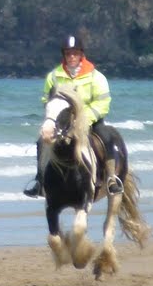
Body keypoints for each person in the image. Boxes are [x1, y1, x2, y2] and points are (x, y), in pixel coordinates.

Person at [24, 33, 124, 198]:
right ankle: (40, 181)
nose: (71, 57)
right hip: (63, 122)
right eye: (68, 53)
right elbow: (47, 100)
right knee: (42, 141)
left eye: (75, 53)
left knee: (106, 137)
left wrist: (84, 119)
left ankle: (111, 179)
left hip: (91, 121)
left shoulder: (96, 77)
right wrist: (56, 116)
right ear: (64, 55)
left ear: (81, 54)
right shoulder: (53, 76)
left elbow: (103, 103)